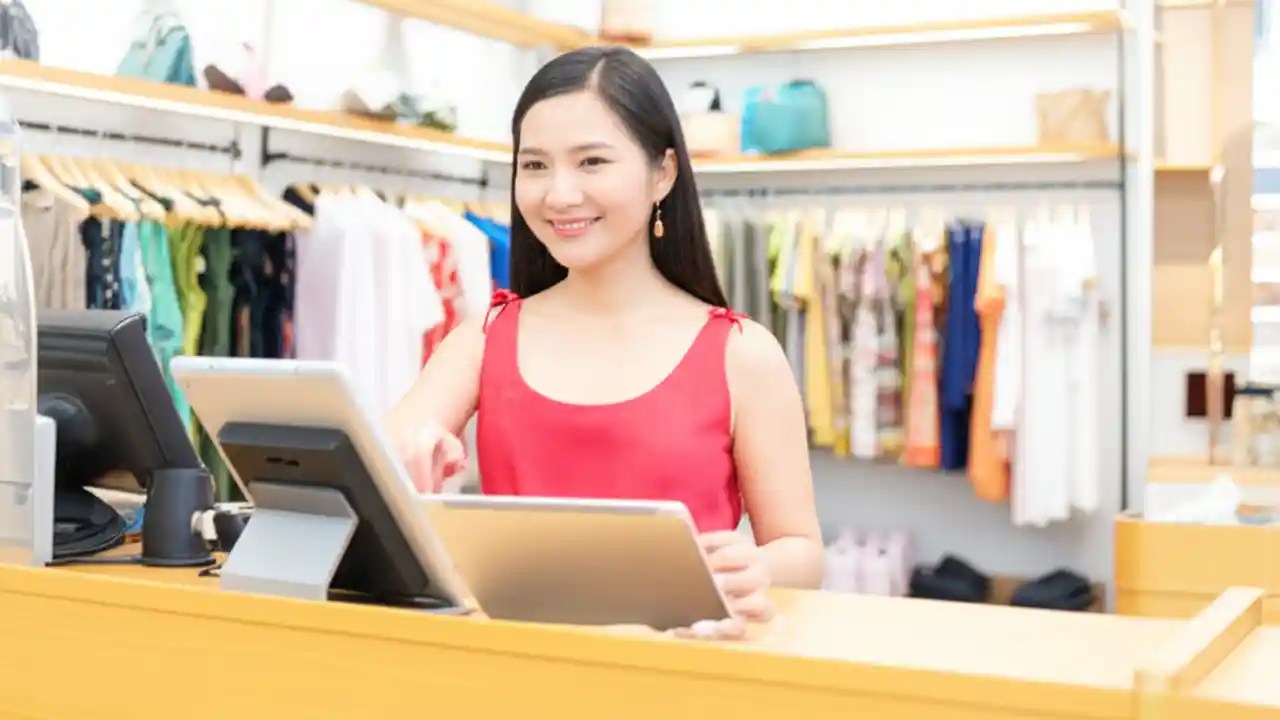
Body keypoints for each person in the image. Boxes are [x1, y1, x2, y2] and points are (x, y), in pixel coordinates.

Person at [383, 46, 823, 639]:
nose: (559, 194)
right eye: (534, 166)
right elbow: (386, 453)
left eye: (591, 162)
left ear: (662, 173)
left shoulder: (741, 353)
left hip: (685, 672)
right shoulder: (484, 339)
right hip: (518, 672)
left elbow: (801, 550)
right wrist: (412, 452)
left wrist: (756, 568)